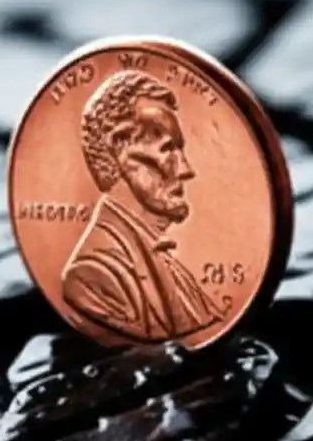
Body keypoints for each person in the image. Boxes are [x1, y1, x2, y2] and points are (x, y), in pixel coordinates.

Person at [62, 69, 225, 341]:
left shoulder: (166, 262)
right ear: (120, 146)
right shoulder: (90, 277)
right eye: (167, 149)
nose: (185, 170)